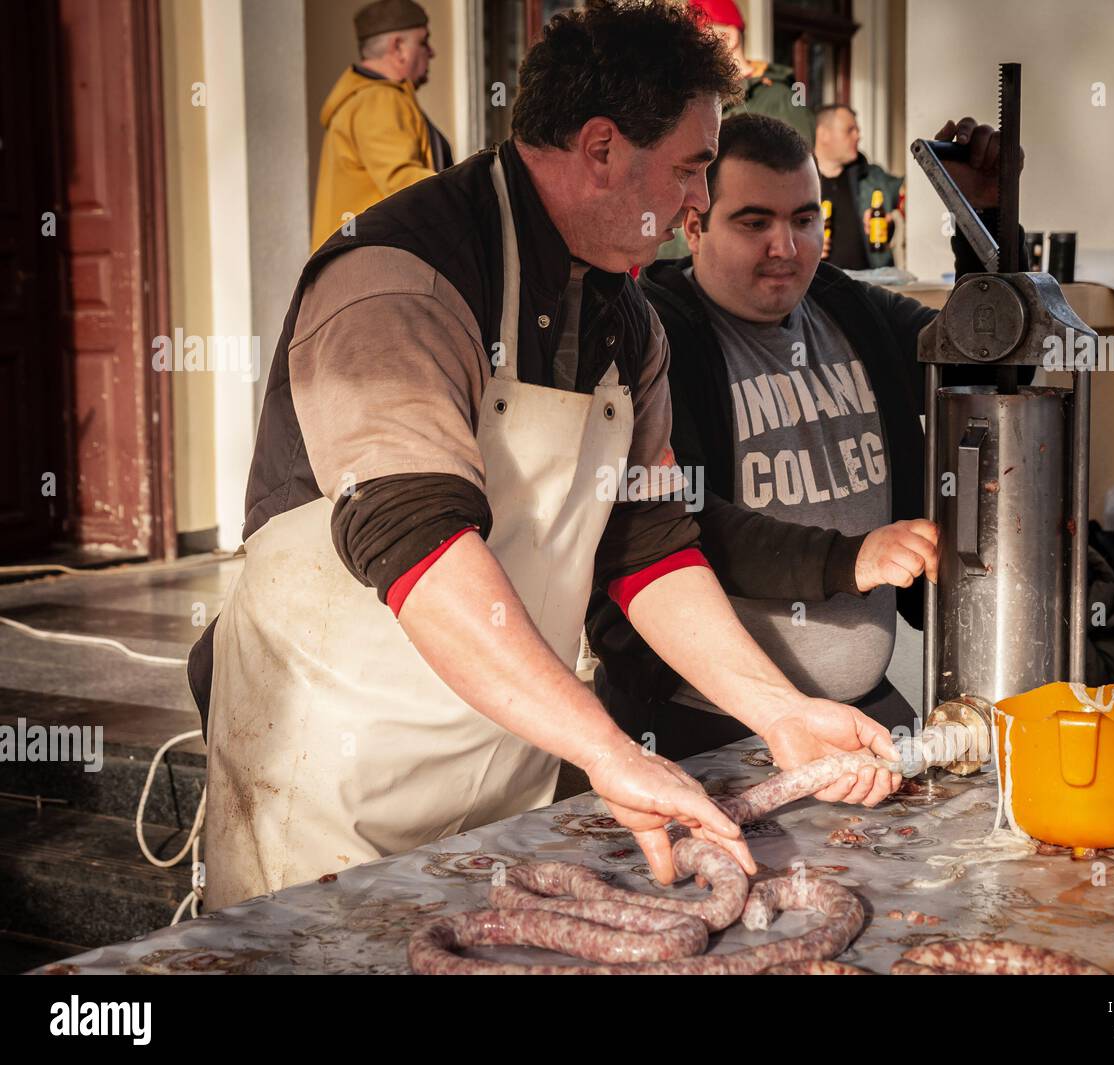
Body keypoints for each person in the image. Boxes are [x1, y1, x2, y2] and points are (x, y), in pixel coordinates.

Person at [190, 1, 903, 913]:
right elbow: (422, 550)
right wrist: (610, 750)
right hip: (328, 772)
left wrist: (779, 710)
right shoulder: (399, 276)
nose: (697, 201)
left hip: (504, 763)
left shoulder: (625, 319)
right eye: (691, 168)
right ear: (603, 147)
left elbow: (649, 545)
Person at [587, 112, 1026, 759]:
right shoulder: (655, 337)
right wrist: (850, 558)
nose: (785, 247)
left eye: (803, 219)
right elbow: (681, 522)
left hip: (863, 707)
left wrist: (983, 221)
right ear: (694, 223)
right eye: (754, 221)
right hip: (701, 723)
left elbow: (995, 360)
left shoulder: (843, 303)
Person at [654, 0, 815, 261]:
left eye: (695, 38)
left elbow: (794, 187)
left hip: (743, 253)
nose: (686, 52)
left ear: (727, 37)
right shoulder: (688, 99)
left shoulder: (780, 99)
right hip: (678, 249)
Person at [310, 0, 454, 251]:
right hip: (371, 269)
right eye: (423, 41)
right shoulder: (379, 99)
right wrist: (472, 191)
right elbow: (403, 182)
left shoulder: (364, 98)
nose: (431, 52)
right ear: (398, 47)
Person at [814, 104, 904, 269]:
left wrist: (891, 222)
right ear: (823, 134)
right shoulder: (797, 182)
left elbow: (912, 190)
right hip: (817, 290)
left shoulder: (873, 177)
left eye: (857, 130)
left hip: (868, 288)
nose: (858, 136)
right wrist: (806, 248)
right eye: (850, 130)